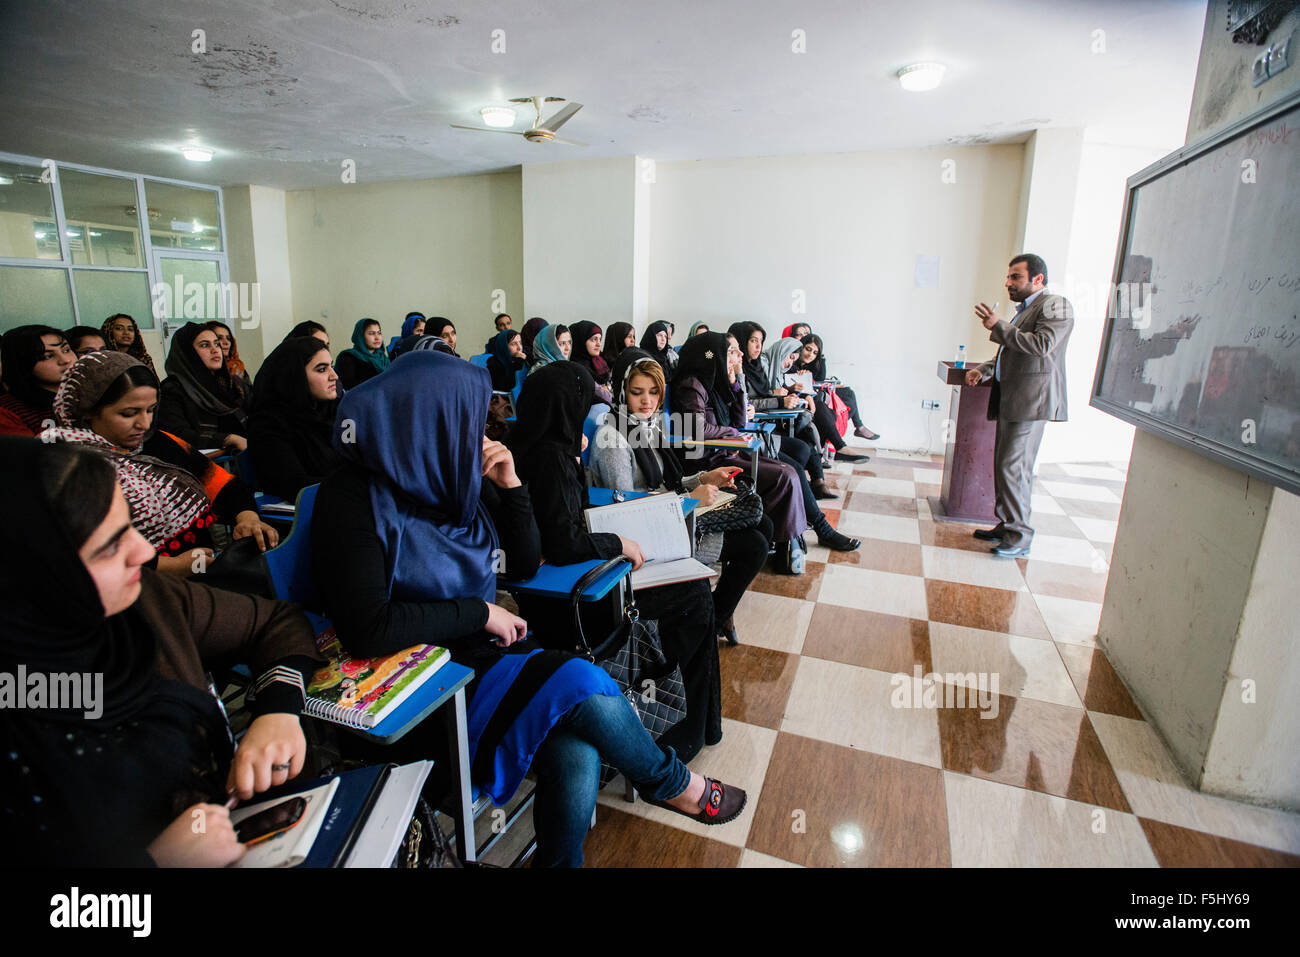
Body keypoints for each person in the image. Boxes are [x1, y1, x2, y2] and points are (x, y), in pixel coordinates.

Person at [310, 352, 745, 867]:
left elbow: (519, 562)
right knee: (579, 678)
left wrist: (511, 486)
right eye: (467, 421)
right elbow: (368, 628)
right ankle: (670, 784)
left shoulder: (450, 478)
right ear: (428, 422)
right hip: (420, 689)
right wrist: (479, 612)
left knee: (576, 751)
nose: (482, 433)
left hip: (481, 653)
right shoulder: (352, 496)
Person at [0, 438, 324, 866]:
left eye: (131, 526)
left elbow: (272, 622)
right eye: (110, 546)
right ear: (35, 582)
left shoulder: (141, 602)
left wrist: (277, 711)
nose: (146, 552)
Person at [507, 361, 722, 763]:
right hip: (575, 601)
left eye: (653, 393)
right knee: (693, 598)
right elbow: (565, 541)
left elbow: (575, 519)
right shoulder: (553, 456)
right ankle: (688, 724)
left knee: (695, 594)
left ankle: (697, 719)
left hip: (574, 582)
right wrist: (620, 541)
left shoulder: (544, 447)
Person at [589, 348, 771, 646]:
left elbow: (665, 483)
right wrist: (689, 501)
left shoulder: (645, 426)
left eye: (654, 392)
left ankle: (714, 614)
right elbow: (625, 511)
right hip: (650, 536)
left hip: (670, 515)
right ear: (622, 391)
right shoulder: (612, 439)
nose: (647, 401)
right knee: (755, 545)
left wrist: (703, 478)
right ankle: (711, 619)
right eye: (637, 392)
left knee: (764, 526)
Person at [45, 351, 279, 577]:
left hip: (195, 571)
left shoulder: (157, 441)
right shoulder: (63, 464)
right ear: (87, 410)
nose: (144, 424)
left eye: (150, 410)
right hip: (136, 590)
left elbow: (223, 485)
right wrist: (170, 567)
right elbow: (85, 554)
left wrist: (247, 517)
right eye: (129, 413)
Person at [671, 332, 860, 559]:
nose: (737, 356)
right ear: (713, 356)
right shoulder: (692, 385)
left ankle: (789, 546)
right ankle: (788, 547)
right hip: (711, 458)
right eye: (731, 352)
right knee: (786, 475)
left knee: (790, 471)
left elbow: (740, 421)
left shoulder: (716, 381)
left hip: (727, 450)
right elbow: (697, 429)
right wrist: (732, 432)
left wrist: (737, 381)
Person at [965, 254, 1074, 558]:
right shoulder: (1026, 310)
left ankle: (1020, 534)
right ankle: (1008, 523)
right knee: (1007, 466)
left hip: (1031, 401)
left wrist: (998, 325)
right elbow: (1012, 351)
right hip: (1013, 398)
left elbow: (1040, 346)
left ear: (1038, 279)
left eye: (1016, 277)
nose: (1008, 282)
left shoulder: (1055, 305)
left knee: (1014, 467)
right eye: (1009, 276)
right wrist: (985, 369)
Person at [247, 337, 345, 501]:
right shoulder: (268, 424)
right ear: (295, 376)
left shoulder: (330, 412)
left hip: (339, 501)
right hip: (305, 513)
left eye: (331, 366)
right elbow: (295, 484)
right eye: (322, 369)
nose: (334, 376)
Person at [758, 336, 846, 494]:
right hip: (765, 425)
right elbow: (756, 398)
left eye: (815, 353)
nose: (789, 363)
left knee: (809, 432)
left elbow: (812, 381)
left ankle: (818, 482)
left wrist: (791, 393)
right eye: (790, 357)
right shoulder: (763, 364)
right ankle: (814, 482)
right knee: (806, 438)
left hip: (779, 419)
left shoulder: (779, 368)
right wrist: (776, 394)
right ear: (782, 350)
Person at [155, 321, 251, 452]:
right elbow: (175, 433)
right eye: (205, 345)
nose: (215, 350)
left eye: (216, 344)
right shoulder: (173, 390)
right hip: (206, 464)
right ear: (188, 352)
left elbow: (258, 415)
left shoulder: (234, 384)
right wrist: (228, 439)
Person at [793, 333, 880, 443]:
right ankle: (857, 427)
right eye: (808, 349)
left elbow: (820, 377)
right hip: (811, 395)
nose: (810, 355)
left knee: (849, 393)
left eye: (815, 353)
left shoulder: (812, 363)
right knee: (844, 405)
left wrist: (821, 359)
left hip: (817, 390)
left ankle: (858, 426)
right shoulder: (793, 363)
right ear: (801, 347)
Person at [0, 325, 75, 436]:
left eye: (66, 350)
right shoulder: (8, 412)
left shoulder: (90, 393)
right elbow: (32, 452)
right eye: (47, 356)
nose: (65, 360)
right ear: (22, 364)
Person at [333, 317, 389, 391]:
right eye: (371, 333)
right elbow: (349, 386)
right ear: (361, 336)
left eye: (379, 333)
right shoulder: (348, 357)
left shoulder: (383, 358)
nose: (377, 337)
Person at [568, 320, 614, 404]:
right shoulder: (576, 367)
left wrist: (609, 389)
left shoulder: (601, 361)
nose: (598, 344)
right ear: (581, 341)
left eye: (600, 339)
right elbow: (607, 397)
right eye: (594, 339)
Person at [208, 321, 252, 392]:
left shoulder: (237, 366)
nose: (226, 342)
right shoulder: (205, 367)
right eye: (219, 338)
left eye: (228, 338)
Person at [484, 328, 525, 392]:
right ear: (504, 346)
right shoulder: (494, 364)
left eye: (520, 343)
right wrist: (518, 362)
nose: (519, 348)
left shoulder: (522, 359)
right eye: (513, 344)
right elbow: (507, 387)